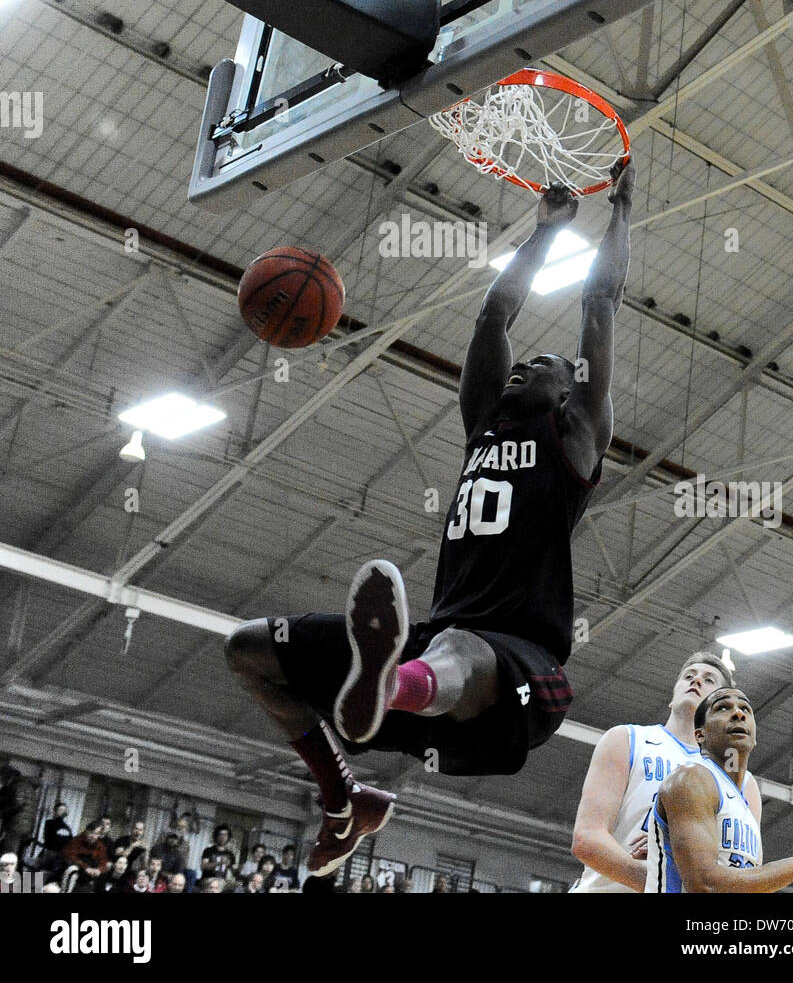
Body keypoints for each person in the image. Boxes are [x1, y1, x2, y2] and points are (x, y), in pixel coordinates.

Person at [226, 162, 635, 876]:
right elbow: (493, 315)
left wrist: (620, 215)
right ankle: (343, 797)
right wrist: (541, 236)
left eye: (541, 365)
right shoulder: (484, 422)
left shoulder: (574, 438)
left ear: (570, 389)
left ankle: (387, 686)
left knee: (460, 652)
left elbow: (601, 301)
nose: (522, 367)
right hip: (435, 648)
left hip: (521, 671)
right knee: (250, 652)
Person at [570, 651, 762, 892]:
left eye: (709, 680)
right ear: (672, 697)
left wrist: (676, 855)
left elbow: (742, 872)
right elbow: (587, 840)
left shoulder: (744, 782)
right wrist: (662, 874)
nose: (697, 681)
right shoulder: (628, 740)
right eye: (688, 676)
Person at [646, 687, 793, 893]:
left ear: (755, 737)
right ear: (700, 734)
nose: (738, 713)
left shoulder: (744, 807)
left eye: (745, 709)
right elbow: (706, 885)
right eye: (722, 707)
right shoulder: (691, 779)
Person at [63, 820, 108, 891]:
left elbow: (104, 863)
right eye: (91, 833)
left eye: (96, 834)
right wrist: (85, 868)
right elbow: (70, 857)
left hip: (89, 876)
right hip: (75, 871)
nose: (93, 836)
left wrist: (99, 870)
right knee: (73, 869)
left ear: (99, 835)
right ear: (87, 831)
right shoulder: (77, 841)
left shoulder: (100, 846)